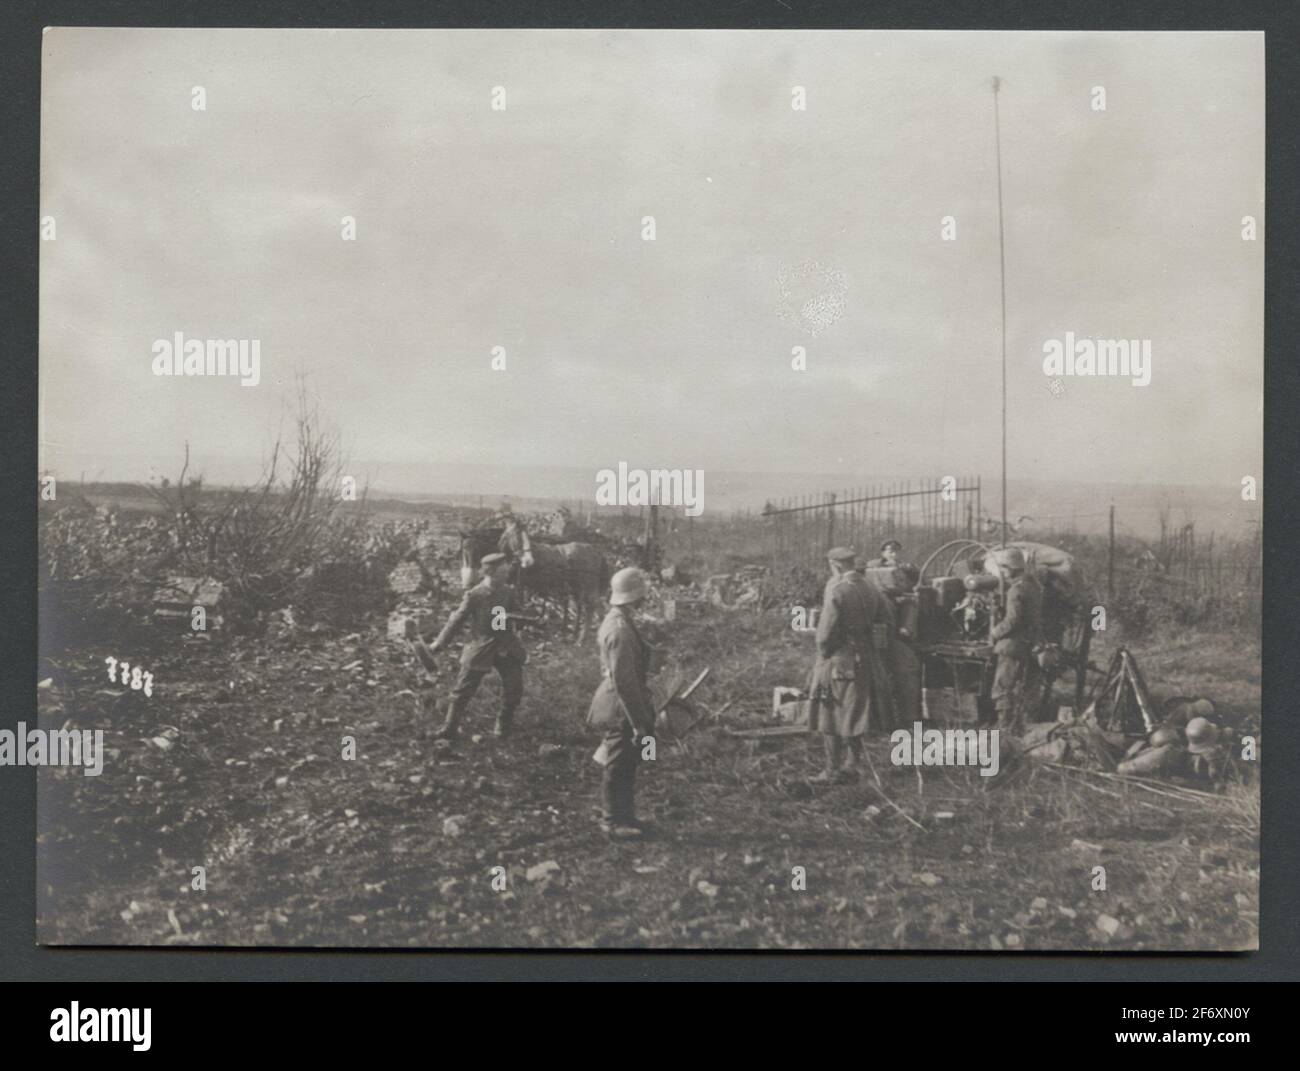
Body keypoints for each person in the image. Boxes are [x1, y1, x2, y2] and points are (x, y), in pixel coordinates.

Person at [806, 547, 894, 783]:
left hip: (839, 659)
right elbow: (886, 618)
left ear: (835, 565)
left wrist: (824, 652)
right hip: (865, 658)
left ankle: (831, 769)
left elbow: (825, 634)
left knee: (830, 712)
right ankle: (853, 764)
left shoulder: (837, 590)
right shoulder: (870, 587)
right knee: (855, 711)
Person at [416, 552, 527, 739]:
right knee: (463, 690)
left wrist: (528, 619)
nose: (508, 572)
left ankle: (503, 725)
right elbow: (456, 620)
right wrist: (439, 644)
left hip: (507, 645)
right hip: (481, 645)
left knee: (514, 688)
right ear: (490, 572)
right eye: (503, 569)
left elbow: (519, 614)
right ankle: (449, 728)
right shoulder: (475, 594)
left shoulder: (508, 592)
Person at [586, 567, 658, 838]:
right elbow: (624, 681)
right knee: (617, 764)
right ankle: (612, 821)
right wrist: (638, 721)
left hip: (620, 701)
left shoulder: (620, 620)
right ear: (635, 597)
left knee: (627, 761)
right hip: (618, 706)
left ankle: (625, 816)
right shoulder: (620, 629)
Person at [989, 546, 1043, 734]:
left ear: (1011, 569)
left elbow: (1012, 620)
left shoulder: (1016, 590)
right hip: (1029, 642)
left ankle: (1003, 727)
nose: (1002, 573)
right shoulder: (1034, 586)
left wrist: (994, 633)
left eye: (1004, 569)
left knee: (1002, 687)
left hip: (1011, 645)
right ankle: (1023, 725)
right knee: (1023, 686)